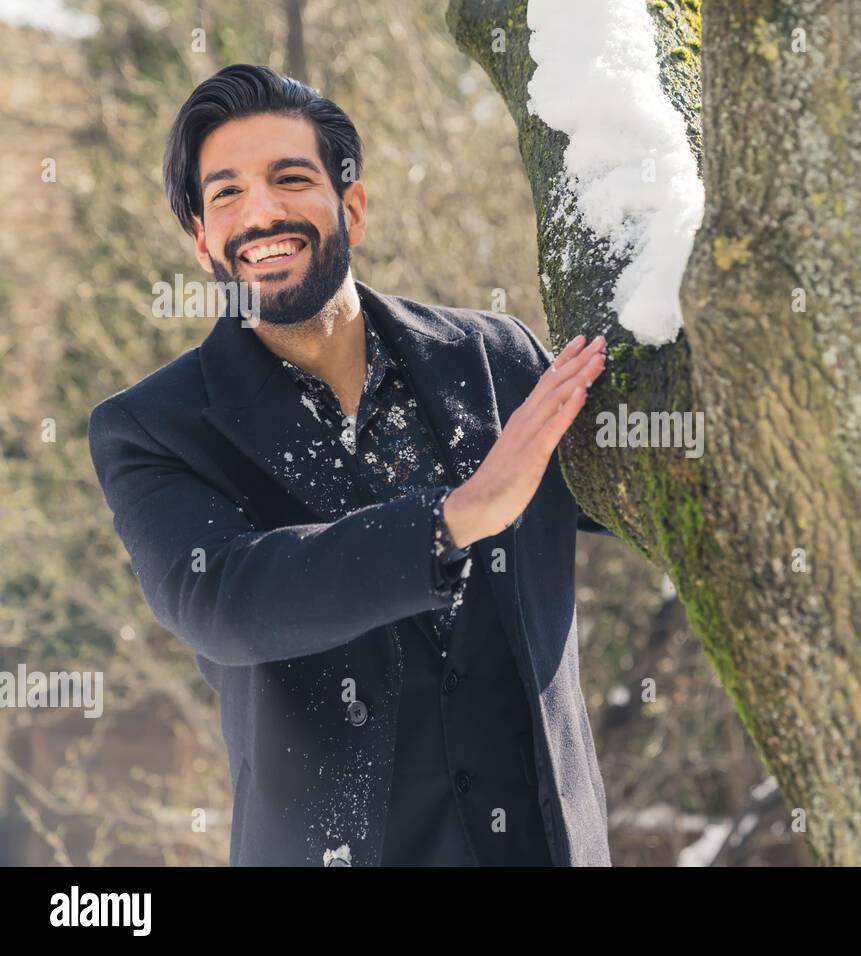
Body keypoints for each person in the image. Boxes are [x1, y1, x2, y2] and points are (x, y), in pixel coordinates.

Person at [87, 64, 614, 866]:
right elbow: (221, 600)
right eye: (225, 194)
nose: (260, 212)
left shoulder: (499, 358)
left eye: (290, 179)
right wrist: (456, 517)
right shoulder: (154, 429)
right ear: (201, 240)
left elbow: (641, 494)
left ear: (353, 207)